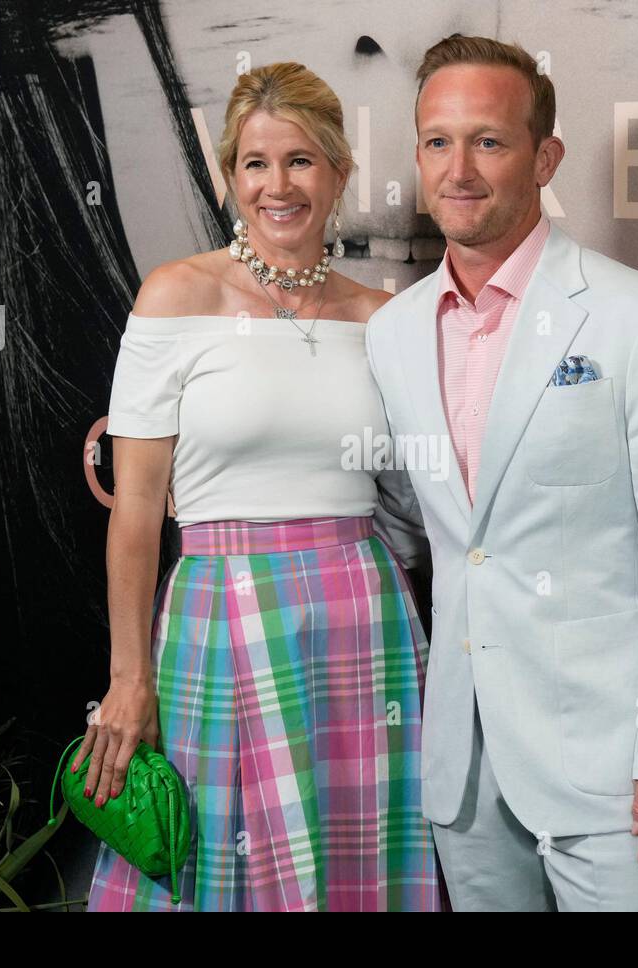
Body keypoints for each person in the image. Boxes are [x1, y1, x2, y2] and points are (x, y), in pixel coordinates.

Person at [365, 35, 638, 911]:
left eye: (489, 141)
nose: (459, 168)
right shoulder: (393, 333)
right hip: (463, 770)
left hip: (617, 774)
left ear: (546, 158)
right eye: (437, 141)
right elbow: (415, 527)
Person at [77, 61, 443, 911]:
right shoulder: (176, 296)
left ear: (340, 173)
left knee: (360, 866)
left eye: (301, 161)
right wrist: (128, 680)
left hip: (363, 616)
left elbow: (416, 504)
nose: (277, 186)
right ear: (230, 177)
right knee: (214, 867)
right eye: (254, 163)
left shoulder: (382, 318)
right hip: (220, 615)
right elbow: (134, 515)